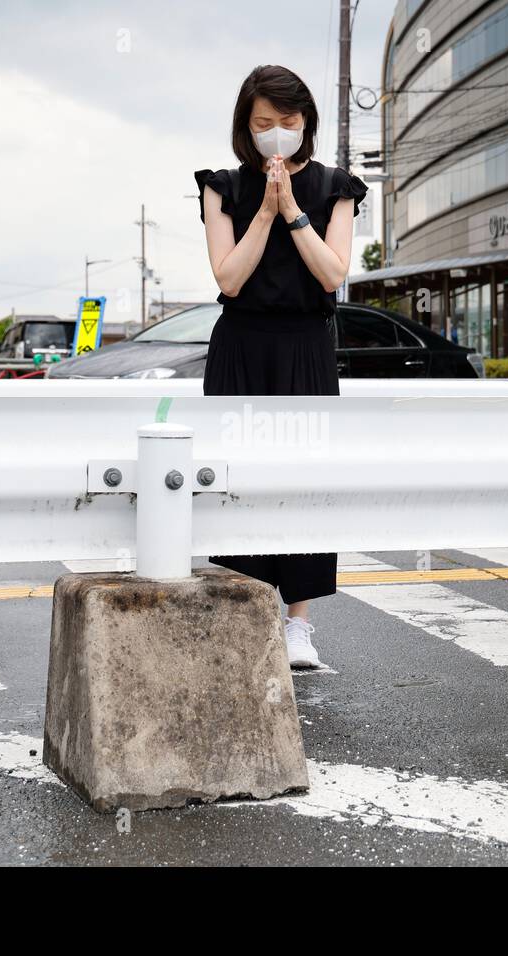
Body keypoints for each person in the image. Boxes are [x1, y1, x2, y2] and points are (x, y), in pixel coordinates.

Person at [195, 64, 367, 669]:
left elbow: (332, 273)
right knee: (234, 471)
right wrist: (263, 211)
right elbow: (229, 278)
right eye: (263, 123)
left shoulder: (336, 187)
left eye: (287, 123)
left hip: (305, 344)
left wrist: (293, 208)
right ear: (246, 125)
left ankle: (298, 624)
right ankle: (241, 609)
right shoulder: (222, 187)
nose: (275, 133)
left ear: (306, 123)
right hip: (241, 342)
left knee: (305, 473)